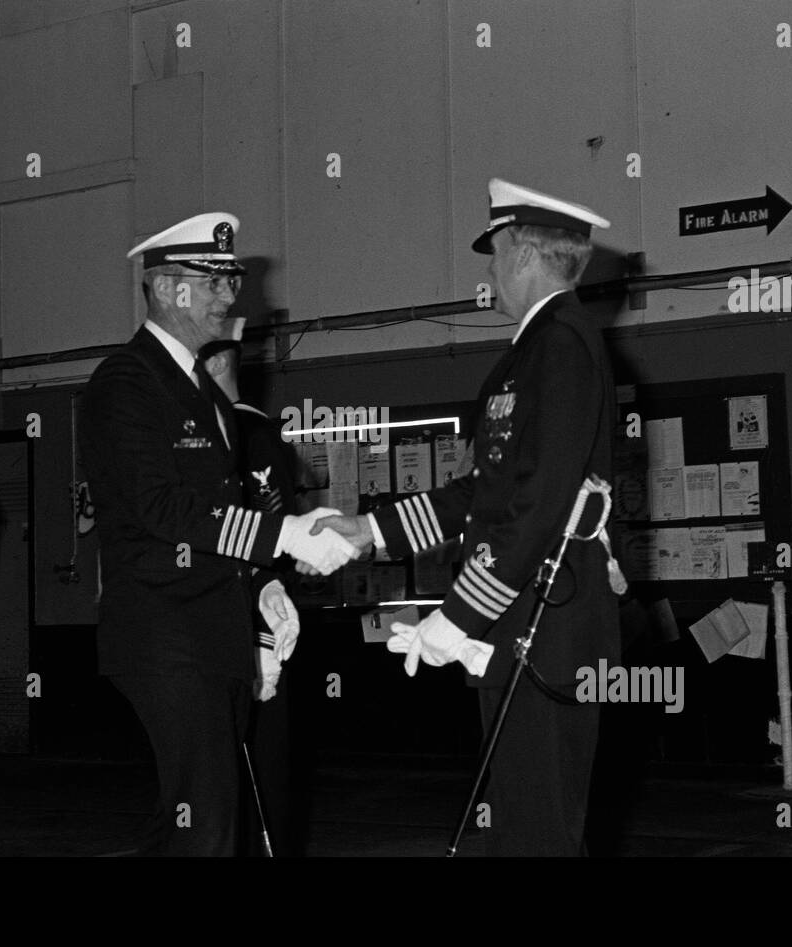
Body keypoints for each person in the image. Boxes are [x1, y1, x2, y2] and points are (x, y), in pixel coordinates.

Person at [314, 179, 623, 856]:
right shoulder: (534, 350)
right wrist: (373, 530)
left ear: (521, 255)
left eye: (494, 252)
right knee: (516, 820)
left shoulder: (561, 344)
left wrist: (458, 615)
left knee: (538, 830)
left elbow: (539, 502)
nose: (487, 270)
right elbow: (481, 492)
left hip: (546, 620)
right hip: (521, 616)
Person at [78, 212, 357, 856]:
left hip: (213, 633)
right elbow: (162, 509)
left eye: (231, 281)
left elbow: (216, 511)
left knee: (206, 820)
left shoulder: (200, 387)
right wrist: (281, 536)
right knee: (203, 826)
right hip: (165, 634)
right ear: (168, 287)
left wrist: (261, 589)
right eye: (215, 283)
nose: (231, 297)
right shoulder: (128, 381)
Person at [202, 339, 302, 856]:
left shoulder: (251, 435)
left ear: (218, 363)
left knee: (262, 774)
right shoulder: (203, 436)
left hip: (259, 633)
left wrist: (263, 639)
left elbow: (272, 540)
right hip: (212, 630)